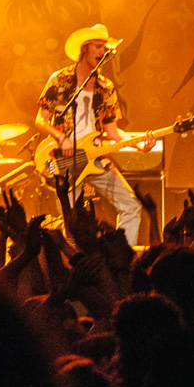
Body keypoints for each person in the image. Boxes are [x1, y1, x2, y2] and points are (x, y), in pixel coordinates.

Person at [34, 24, 147, 245]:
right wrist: (61, 138)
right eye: (97, 46)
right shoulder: (59, 80)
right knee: (72, 224)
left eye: (105, 47)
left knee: (131, 207)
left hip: (95, 156)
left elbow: (113, 133)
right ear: (84, 49)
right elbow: (40, 120)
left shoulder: (105, 88)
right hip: (62, 160)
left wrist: (140, 144)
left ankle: (123, 261)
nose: (102, 51)